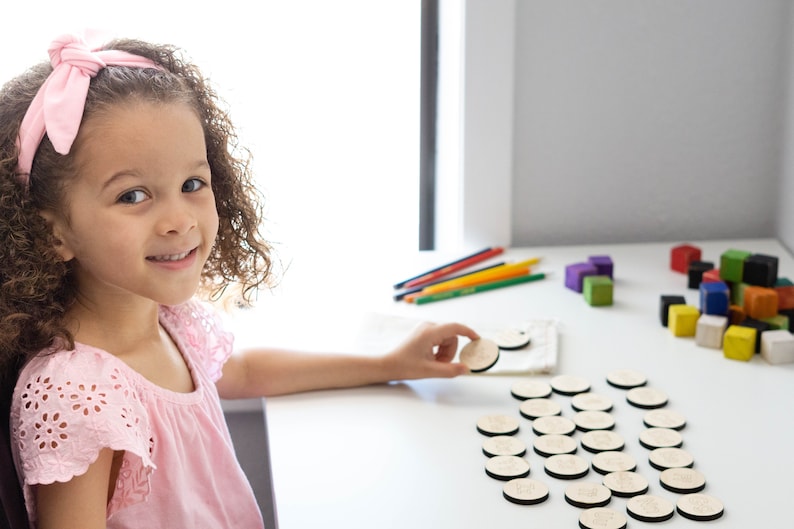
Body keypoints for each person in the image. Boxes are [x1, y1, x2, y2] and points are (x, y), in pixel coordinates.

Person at [0, 33, 479, 529]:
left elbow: (245, 372)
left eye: (191, 185)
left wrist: (389, 362)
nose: (178, 221)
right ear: (52, 232)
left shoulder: (165, 320)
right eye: (133, 196)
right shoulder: (76, 391)